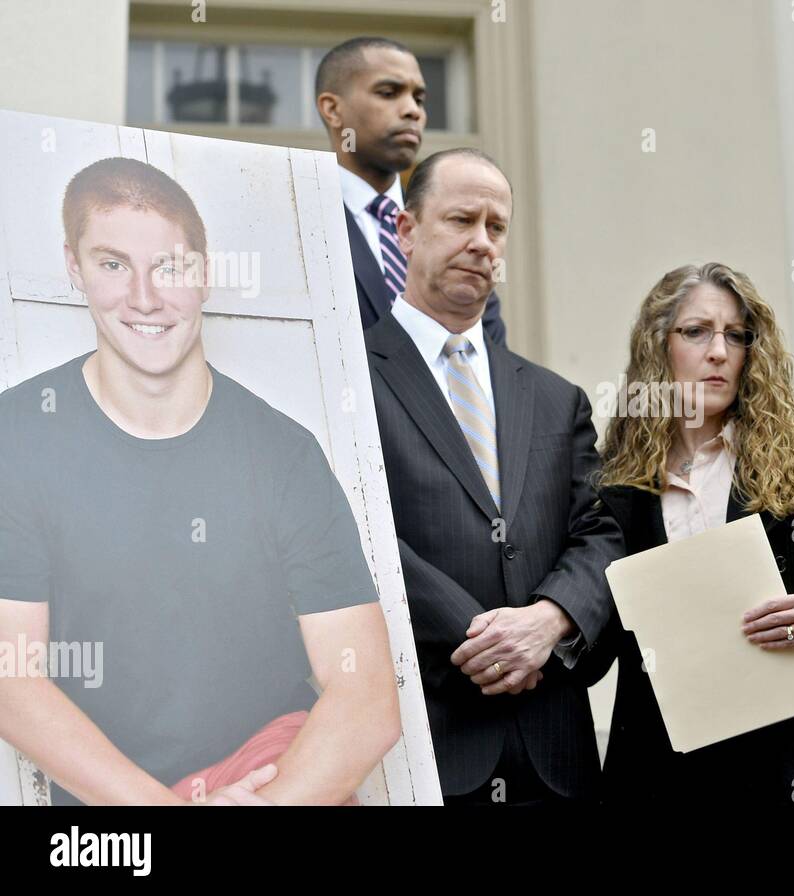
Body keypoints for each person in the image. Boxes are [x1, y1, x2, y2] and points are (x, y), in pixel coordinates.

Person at [0, 157, 400, 805]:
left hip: (270, 776)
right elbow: (11, 679)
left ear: (205, 274)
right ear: (73, 267)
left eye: (170, 267)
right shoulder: (16, 437)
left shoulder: (284, 455)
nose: (145, 296)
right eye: (112, 264)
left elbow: (368, 694)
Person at [365, 147, 622, 805]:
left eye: (496, 227)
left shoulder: (554, 398)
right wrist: (482, 637)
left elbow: (600, 537)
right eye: (460, 220)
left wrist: (548, 620)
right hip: (422, 741)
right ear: (406, 229)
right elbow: (352, 531)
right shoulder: (346, 377)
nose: (482, 243)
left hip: (554, 757)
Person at [595, 262, 794, 805]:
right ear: (658, 346)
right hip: (665, 770)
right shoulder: (614, 478)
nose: (719, 351)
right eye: (696, 332)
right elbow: (599, 636)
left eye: (736, 336)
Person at [315, 36, 506, 341]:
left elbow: (490, 360)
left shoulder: (457, 230)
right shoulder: (300, 222)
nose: (412, 111)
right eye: (389, 93)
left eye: (419, 99)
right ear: (333, 109)